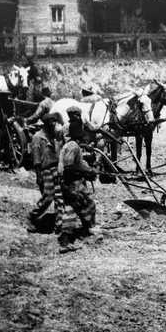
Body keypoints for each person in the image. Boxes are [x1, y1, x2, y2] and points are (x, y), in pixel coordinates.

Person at [58, 106, 100, 252]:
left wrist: (88, 170)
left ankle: (83, 231)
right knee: (87, 205)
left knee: (72, 210)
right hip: (72, 183)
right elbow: (69, 167)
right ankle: (71, 238)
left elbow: (78, 163)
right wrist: (86, 173)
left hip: (71, 182)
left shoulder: (72, 145)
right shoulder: (73, 146)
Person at [27, 112, 65, 236]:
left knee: (60, 198)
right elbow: (36, 160)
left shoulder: (53, 136)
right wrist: (39, 176)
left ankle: (59, 225)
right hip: (45, 170)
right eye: (51, 122)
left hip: (56, 168)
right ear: (46, 124)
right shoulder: (38, 138)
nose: (54, 124)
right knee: (48, 197)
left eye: (55, 122)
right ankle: (32, 217)